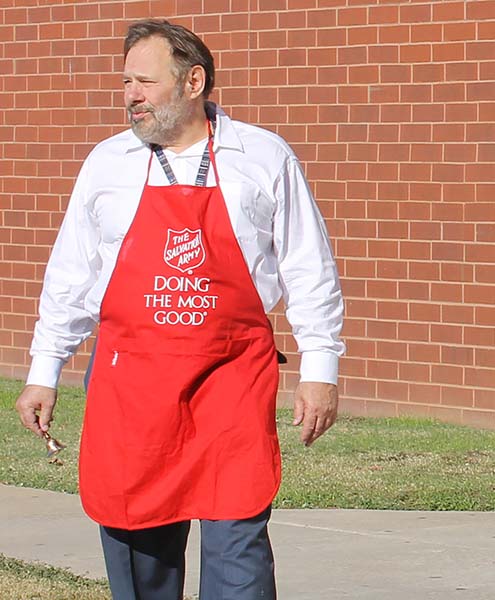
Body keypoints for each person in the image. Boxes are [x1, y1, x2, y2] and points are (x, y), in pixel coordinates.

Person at [14, 19, 345, 600]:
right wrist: (45, 371)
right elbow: (70, 276)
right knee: (137, 543)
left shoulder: (262, 156)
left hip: (230, 383)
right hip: (131, 386)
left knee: (238, 549)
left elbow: (307, 267)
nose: (130, 96)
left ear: (194, 81)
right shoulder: (107, 163)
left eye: (144, 81)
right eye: (125, 83)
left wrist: (320, 371)